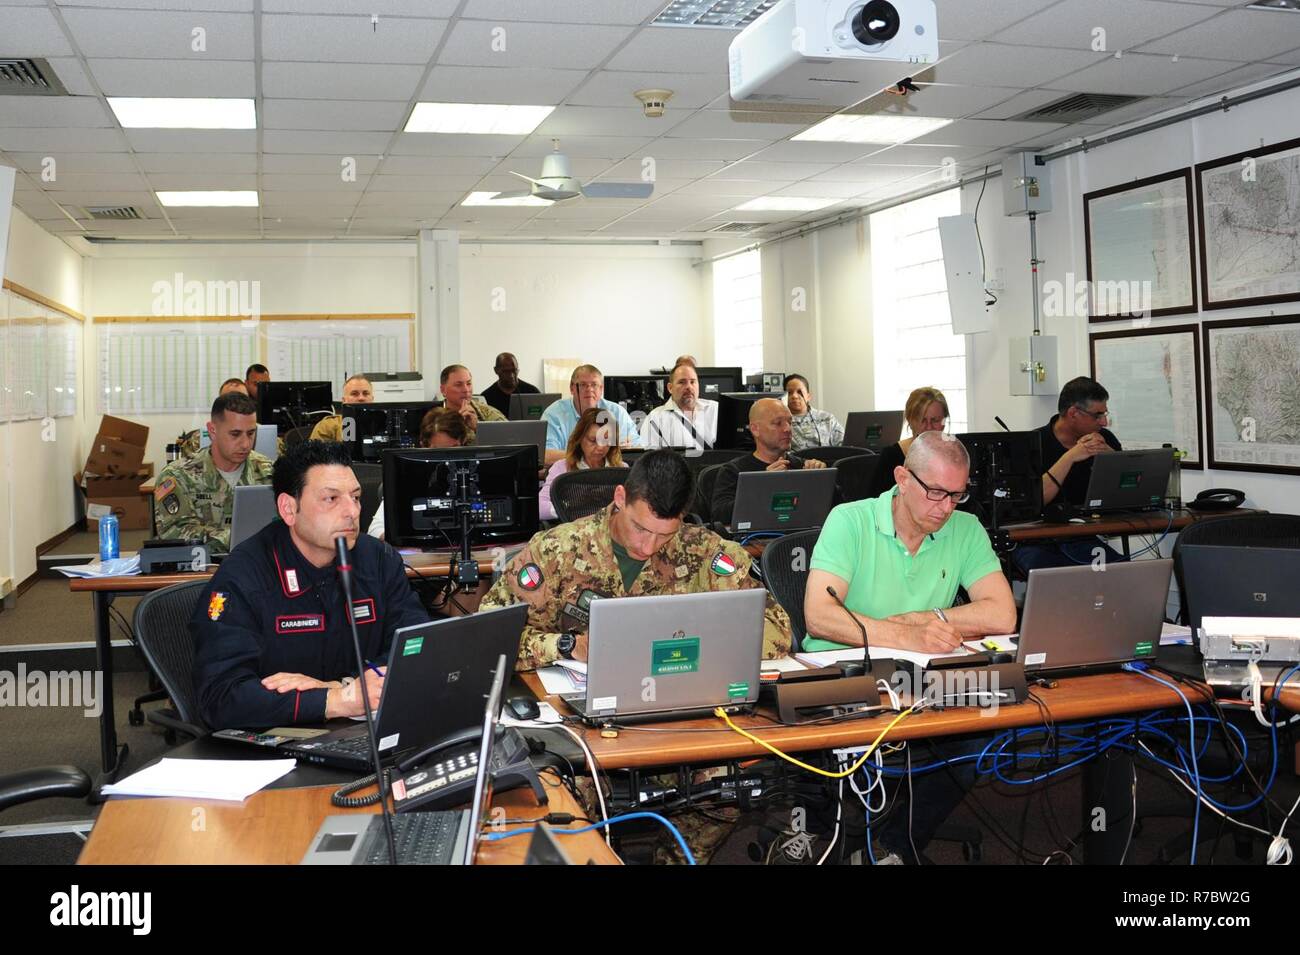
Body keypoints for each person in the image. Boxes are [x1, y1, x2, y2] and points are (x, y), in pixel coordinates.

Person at [802, 431, 1016, 863]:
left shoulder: (965, 528)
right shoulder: (851, 520)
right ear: (902, 477)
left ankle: (894, 843)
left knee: (989, 729)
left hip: (922, 677)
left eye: (957, 495)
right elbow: (819, 615)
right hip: (843, 673)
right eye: (935, 492)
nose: (946, 507)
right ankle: (841, 836)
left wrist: (924, 621)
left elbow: (1002, 615)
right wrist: (905, 635)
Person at [191, 440, 429, 729]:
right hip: (276, 745)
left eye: (355, 497)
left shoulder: (378, 559)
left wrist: (340, 689)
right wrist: (333, 700)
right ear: (289, 509)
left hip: (361, 729)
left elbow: (415, 646)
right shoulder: (243, 577)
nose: (352, 512)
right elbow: (221, 696)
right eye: (331, 499)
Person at [481, 449, 792, 670]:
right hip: (579, 726)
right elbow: (488, 639)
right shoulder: (555, 551)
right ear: (620, 498)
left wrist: (682, 645)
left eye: (665, 535)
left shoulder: (705, 553)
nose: (647, 547)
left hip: (680, 708)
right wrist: (567, 646)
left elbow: (777, 634)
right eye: (640, 528)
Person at [1013, 376, 1125, 573]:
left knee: (1121, 572)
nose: (1104, 422)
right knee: (1057, 576)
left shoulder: (1104, 440)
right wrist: (1069, 458)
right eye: (1097, 415)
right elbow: (1034, 501)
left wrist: (1113, 460)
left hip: (1082, 536)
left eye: (1105, 414)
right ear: (1074, 413)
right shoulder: (1032, 444)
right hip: (1035, 541)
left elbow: (1126, 492)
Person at [156, 392, 275, 553]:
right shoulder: (178, 476)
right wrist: (238, 538)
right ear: (212, 431)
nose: (246, 444)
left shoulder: (268, 471)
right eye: (235, 434)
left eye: (251, 433)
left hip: (258, 568)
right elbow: (175, 533)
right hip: (201, 570)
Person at [710, 398, 827, 525]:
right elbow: (719, 516)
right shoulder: (733, 471)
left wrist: (823, 481)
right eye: (778, 423)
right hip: (756, 540)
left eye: (790, 422)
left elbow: (839, 509)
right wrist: (763, 486)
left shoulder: (804, 467)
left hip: (800, 537)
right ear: (755, 429)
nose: (787, 429)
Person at [367, 408, 469, 540]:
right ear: (423, 446)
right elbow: (375, 530)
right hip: (420, 554)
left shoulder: (473, 473)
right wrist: (405, 540)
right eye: (439, 451)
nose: (446, 458)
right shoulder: (406, 476)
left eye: (454, 450)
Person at [540, 363, 644, 465]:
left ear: (601, 389)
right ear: (572, 388)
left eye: (594, 385)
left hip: (609, 475)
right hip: (569, 476)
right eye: (583, 385)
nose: (589, 389)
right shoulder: (554, 414)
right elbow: (546, 455)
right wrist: (590, 456)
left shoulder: (617, 412)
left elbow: (636, 451)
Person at [539, 407, 624, 521]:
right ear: (579, 439)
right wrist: (570, 509)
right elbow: (540, 508)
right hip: (575, 532)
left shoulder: (621, 469)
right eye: (593, 440)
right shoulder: (562, 468)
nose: (600, 447)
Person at [868, 386, 950, 497]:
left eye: (935, 420)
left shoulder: (955, 455)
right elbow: (878, 500)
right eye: (922, 420)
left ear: (944, 421)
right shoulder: (891, 456)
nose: (929, 427)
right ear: (910, 421)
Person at [640, 358, 718, 451]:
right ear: (670, 388)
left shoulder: (716, 409)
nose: (689, 387)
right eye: (682, 382)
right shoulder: (654, 419)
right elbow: (650, 460)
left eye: (693, 382)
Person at [178, 378, 250, 458]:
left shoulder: (261, 434)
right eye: (229, 400)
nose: (235, 405)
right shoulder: (197, 440)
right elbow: (188, 467)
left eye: (241, 400)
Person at [439, 363, 505, 440]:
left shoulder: (487, 412)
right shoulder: (432, 417)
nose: (466, 390)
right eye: (458, 385)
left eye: (469, 383)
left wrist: (478, 428)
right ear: (443, 390)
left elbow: (511, 439)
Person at [784, 374, 844, 452]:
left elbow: (844, 445)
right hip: (796, 463)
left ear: (808, 396)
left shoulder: (827, 418)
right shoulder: (781, 422)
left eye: (799, 392)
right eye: (789, 392)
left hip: (829, 461)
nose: (794, 396)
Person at [309, 374, 375, 443]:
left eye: (365, 393)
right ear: (344, 400)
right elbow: (314, 452)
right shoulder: (328, 426)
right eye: (354, 394)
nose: (361, 398)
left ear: (372, 399)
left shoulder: (383, 423)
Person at [480, 352, 540, 418]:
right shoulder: (486, 397)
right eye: (506, 371)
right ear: (496, 370)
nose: (511, 375)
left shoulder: (532, 392)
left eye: (514, 370)